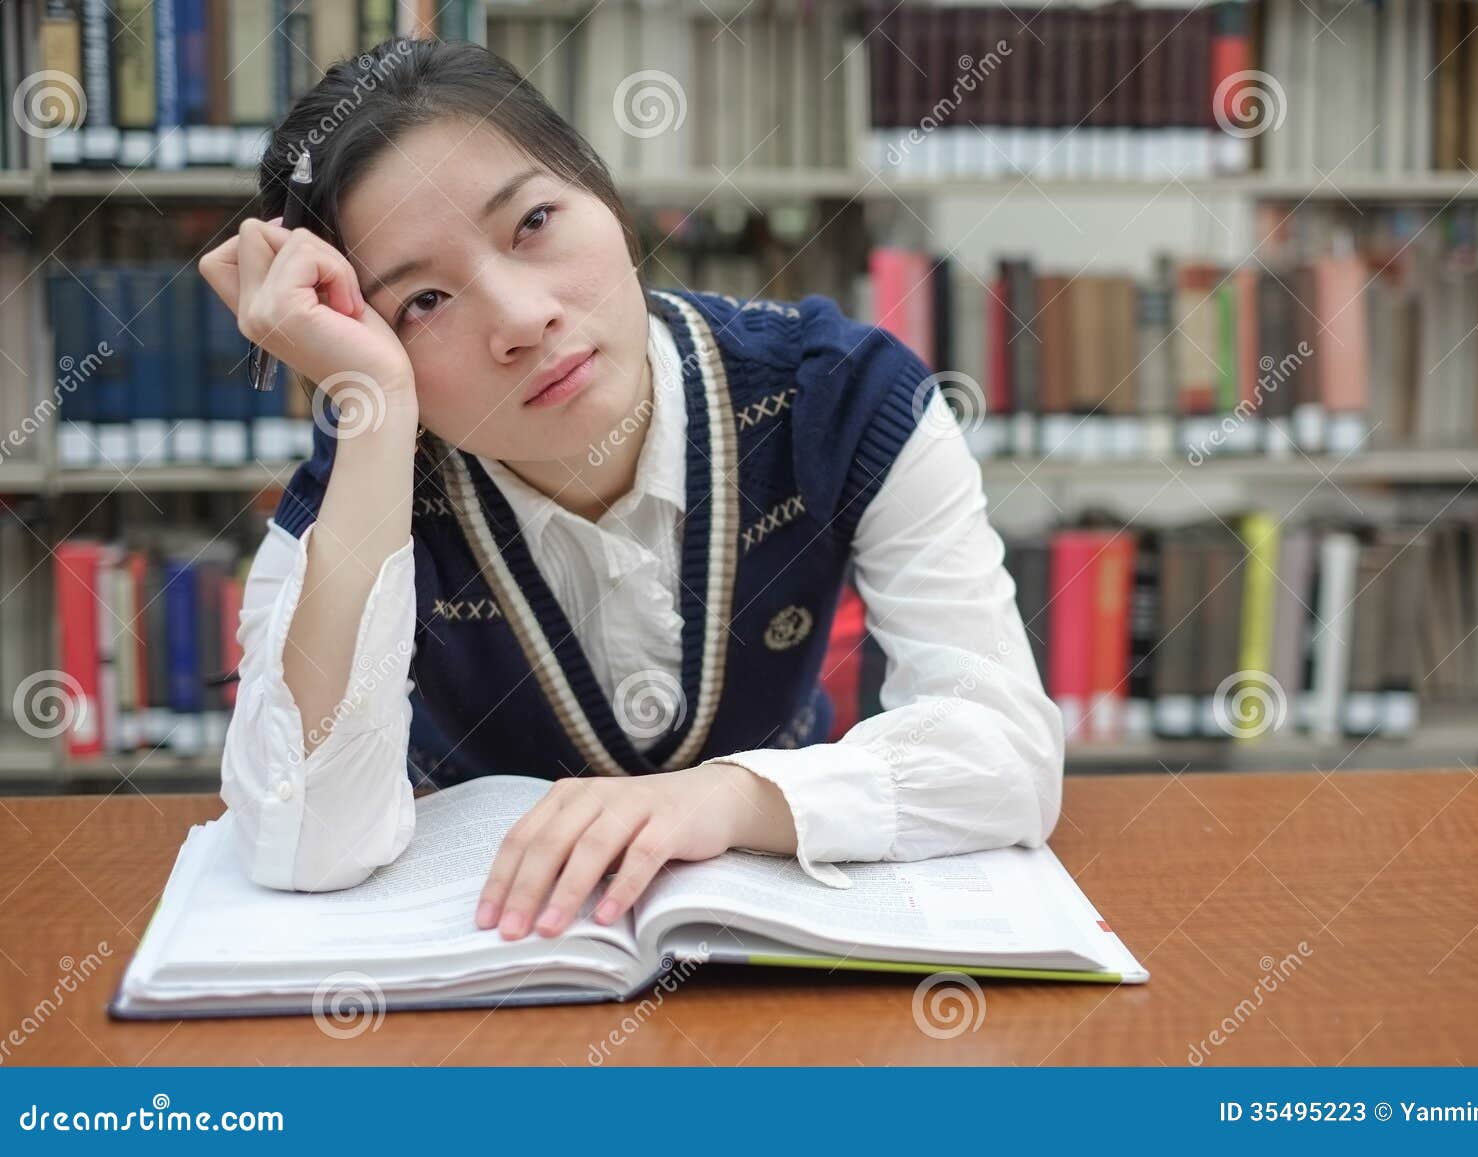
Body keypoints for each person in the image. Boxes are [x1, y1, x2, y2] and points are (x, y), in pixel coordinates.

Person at [200, 37, 1063, 944]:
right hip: (508, 962)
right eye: (421, 302)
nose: (523, 318)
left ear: (606, 196)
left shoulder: (838, 395)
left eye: (533, 221)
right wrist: (372, 406)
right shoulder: (367, 476)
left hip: (779, 959)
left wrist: (723, 799)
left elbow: (1006, 751)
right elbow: (304, 842)